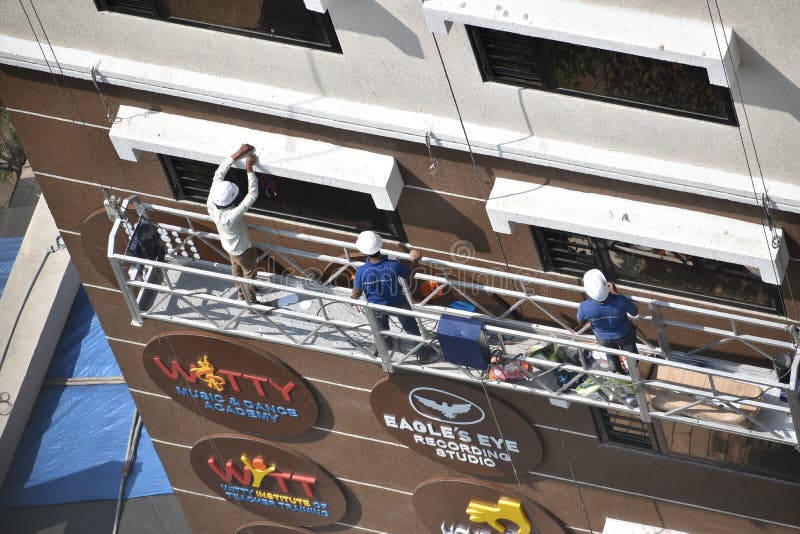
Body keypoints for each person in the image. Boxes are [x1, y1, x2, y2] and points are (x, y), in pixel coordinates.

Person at [207, 143, 264, 305]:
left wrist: (238, 153)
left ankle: (241, 294)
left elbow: (218, 173)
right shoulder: (231, 215)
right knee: (249, 274)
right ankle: (251, 302)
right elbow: (252, 195)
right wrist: (249, 168)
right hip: (243, 250)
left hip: (229, 247)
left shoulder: (211, 203)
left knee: (237, 269)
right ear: (230, 201)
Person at [351, 230, 422, 345]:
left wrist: (354, 297)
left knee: (382, 331)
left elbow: (356, 292)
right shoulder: (394, 265)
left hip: (376, 306)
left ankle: (387, 345)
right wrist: (415, 259)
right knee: (411, 329)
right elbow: (409, 275)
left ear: (363, 251)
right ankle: (422, 353)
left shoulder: (361, 272)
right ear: (380, 245)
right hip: (398, 302)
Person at [577, 269, 638, 374]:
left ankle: (618, 374)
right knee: (631, 355)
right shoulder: (620, 300)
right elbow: (634, 312)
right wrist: (616, 294)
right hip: (624, 334)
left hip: (603, 338)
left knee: (611, 356)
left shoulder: (585, 307)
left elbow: (580, 321)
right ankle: (635, 372)